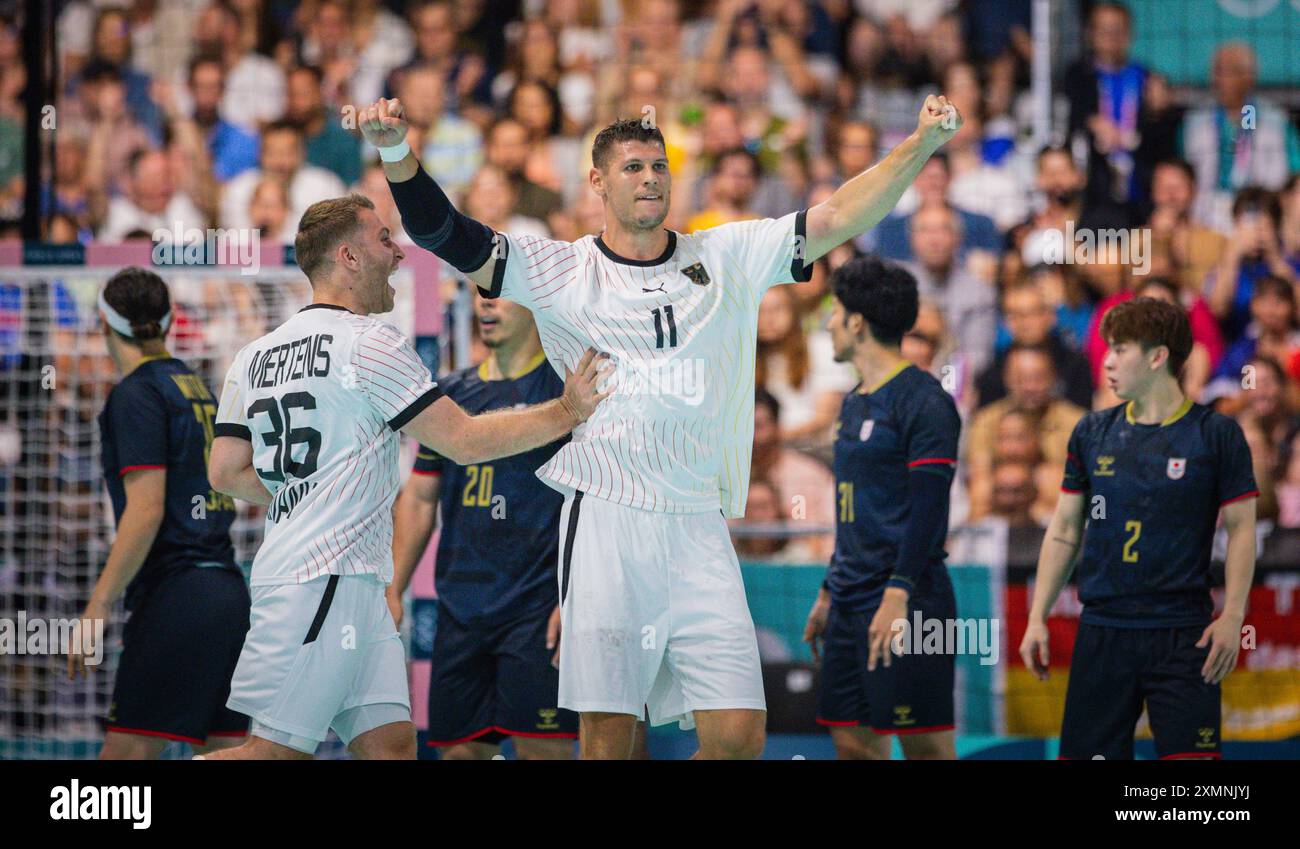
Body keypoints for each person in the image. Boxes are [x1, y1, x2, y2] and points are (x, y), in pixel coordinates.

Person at [362, 89, 963, 759]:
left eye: (659, 166)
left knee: (739, 736)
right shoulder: (561, 269)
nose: (650, 178)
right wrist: (394, 150)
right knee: (608, 739)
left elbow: (840, 214)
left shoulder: (727, 253)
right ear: (596, 182)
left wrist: (922, 145)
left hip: (698, 521)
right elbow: (445, 233)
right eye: (632, 167)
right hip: (608, 520)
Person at [203, 194, 609, 760]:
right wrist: (567, 411)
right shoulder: (371, 342)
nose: (398, 254)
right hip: (323, 580)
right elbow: (463, 441)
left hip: (349, 585)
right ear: (347, 256)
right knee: (269, 754)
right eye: (384, 240)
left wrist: (305, 489)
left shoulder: (254, 356)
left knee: (393, 749)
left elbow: (225, 471)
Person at [1019, 297, 1258, 760]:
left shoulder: (1216, 434)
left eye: (1120, 348)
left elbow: (1242, 529)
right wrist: (1036, 618)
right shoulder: (1091, 432)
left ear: (1157, 356)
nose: (1106, 360)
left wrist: (1233, 616)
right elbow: (1066, 529)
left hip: (1184, 632)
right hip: (1103, 630)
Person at [387, 291, 577, 759]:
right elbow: (419, 497)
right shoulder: (449, 395)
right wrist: (394, 587)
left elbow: (595, 502)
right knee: (459, 753)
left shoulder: (567, 395)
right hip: (462, 609)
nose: (486, 305)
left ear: (536, 305)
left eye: (500, 296)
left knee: (543, 750)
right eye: (480, 295)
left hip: (538, 608)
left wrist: (576, 596)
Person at [68, 267, 249, 759]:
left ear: (104, 326)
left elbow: (145, 512)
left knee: (125, 760)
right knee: (226, 752)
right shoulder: (198, 388)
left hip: (177, 594)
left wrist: (98, 605)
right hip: (228, 595)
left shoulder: (136, 395)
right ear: (168, 325)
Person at [801, 255, 961, 760]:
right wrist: (829, 589)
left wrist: (898, 595)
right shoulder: (853, 401)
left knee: (927, 749)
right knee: (852, 745)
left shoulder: (926, 401)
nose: (828, 323)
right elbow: (853, 511)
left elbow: (930, 510)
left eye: (834, 311)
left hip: (908, 600)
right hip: (849, 598)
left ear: (857, 322)